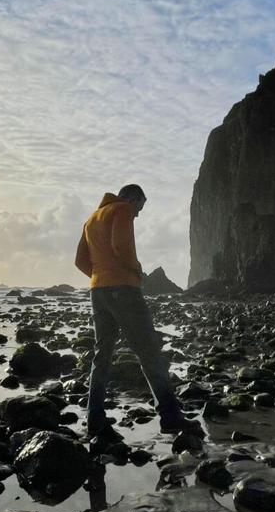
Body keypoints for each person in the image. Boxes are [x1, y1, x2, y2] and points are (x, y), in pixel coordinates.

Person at [74, 184, 197, 437]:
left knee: (102, 354)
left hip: (98, 291)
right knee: (148, 351)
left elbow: (80, 261)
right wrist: (135, 270)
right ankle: (170, 417)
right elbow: (121, 246)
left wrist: (101, 277)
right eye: (140, 206)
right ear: (132, 198)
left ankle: (94, 420)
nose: (138, 213)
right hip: (124, 289)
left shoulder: (91, 220)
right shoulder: (122, 209)